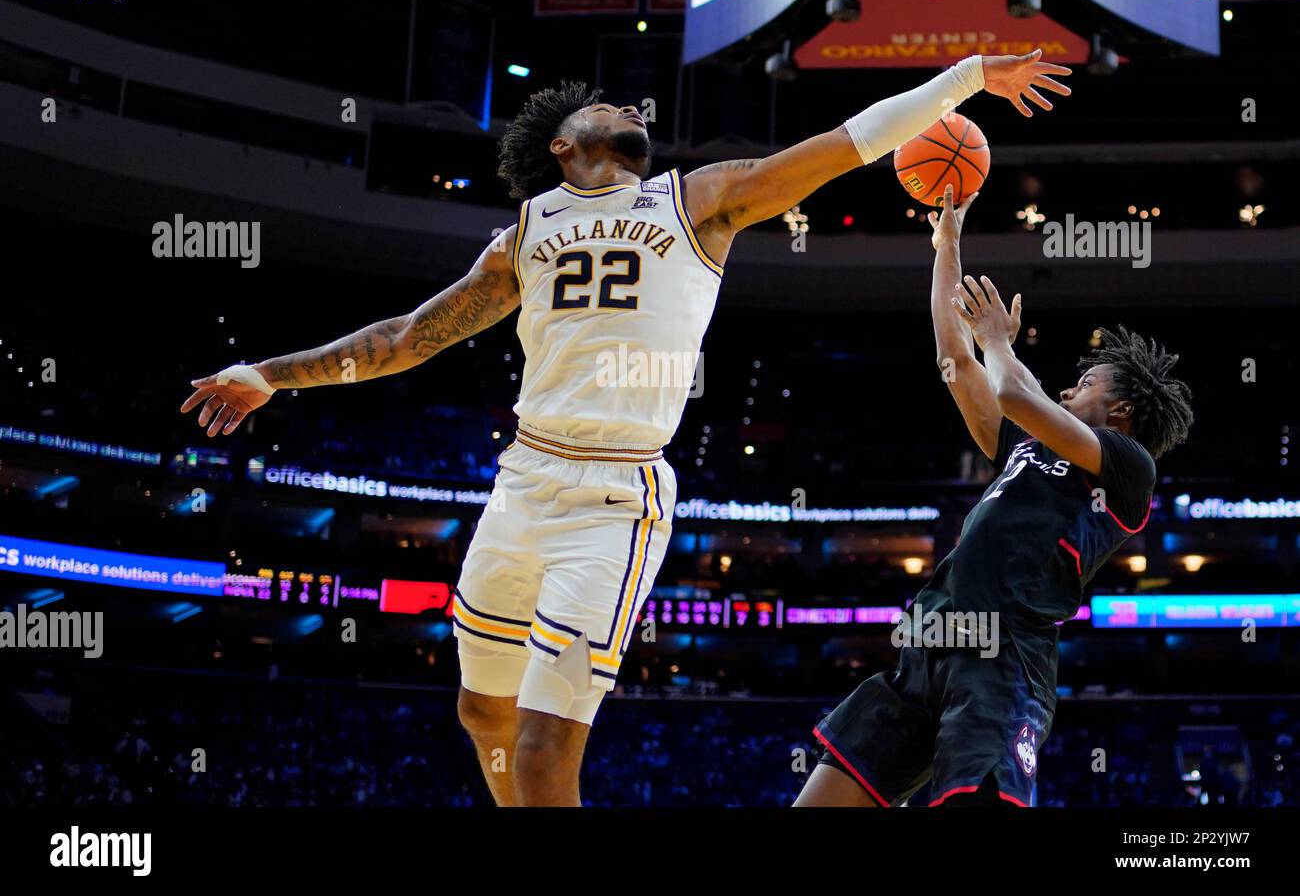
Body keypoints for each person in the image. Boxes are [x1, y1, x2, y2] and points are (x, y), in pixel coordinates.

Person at [181, 54, 1071, 807]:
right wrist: (269, 373)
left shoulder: (698, 202)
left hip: (615, 497)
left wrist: (970, 77)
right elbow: (410, 337)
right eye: (610, 106)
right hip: (522, 482)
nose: (633, 108)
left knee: (540, 752)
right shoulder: (525, 232)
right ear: (564, 145)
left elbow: (844, 146)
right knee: (481, 715)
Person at [795, 185, 1193, 807]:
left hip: (1003, 660)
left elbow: (1013, 392)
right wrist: (946, 248)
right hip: (927, 648)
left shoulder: (1126, 465)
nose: (1067, 391)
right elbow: (953, 356)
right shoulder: (1023, 448)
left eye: (1084, 383)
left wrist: (1001, 343)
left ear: (1119, 410)